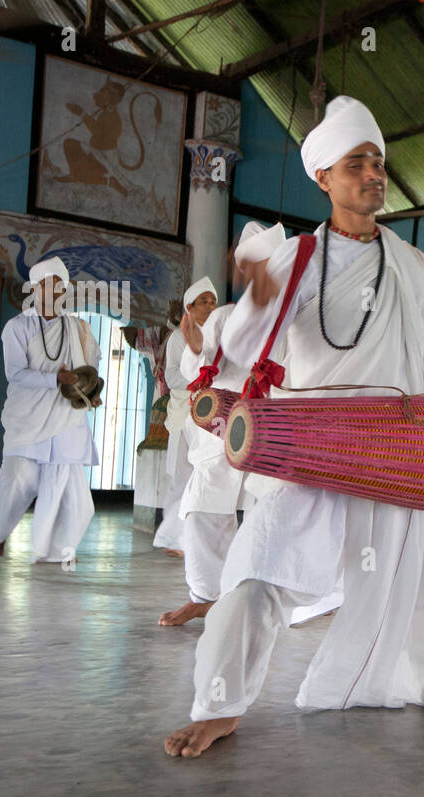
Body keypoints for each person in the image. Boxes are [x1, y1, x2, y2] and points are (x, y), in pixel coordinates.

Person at [164, 96, 424, 758]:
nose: (374, 173)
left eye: (378, 160)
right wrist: (253, 300)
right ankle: (218, 706)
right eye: (357, 163)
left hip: (412, 454)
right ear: (324, 178)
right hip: (321, 447)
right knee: (255, 575)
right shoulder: (298, 261)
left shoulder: (418, 266)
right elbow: (242, 352)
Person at [158, 223, 285, 627]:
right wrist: (196, 348)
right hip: (224, 432)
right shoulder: (226, 316)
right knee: (201, 512)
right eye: (255, 265)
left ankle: (279, 599)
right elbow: (202, 365)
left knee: (284, 512)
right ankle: (207, 596)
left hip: (278, 434)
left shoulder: (294, 317)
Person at [0, 256, 100, 562]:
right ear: (35, 288)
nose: (55, 289)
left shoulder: (79, 328)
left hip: (67, 417)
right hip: (28, 418)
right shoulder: (17, 327)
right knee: (15, 480)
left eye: (60, 284)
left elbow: (91, 367)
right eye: (48, 283)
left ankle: (59, 549)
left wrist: (90, 392)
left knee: (69, 490)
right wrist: (54, 378)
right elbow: (15, 373)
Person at [153, 277, 217, 557]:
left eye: (213, 300)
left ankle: (190, 538)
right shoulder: (179, 337)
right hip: (185, 413)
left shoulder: (218, 335)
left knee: (205, 476)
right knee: (182, 476)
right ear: (189, 308)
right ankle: (171, 537)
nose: (210, 305)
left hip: (212, 415)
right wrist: (199, 384)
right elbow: (172, 376)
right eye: (203, 301)